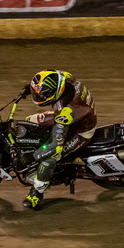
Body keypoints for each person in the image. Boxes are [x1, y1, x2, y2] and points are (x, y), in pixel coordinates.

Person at [21, 69, 97, 210]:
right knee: (30, 120)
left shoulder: (65, 111)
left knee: (50, 158)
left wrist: (37, 155)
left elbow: (56, 145)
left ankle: (36, 193)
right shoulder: (64, 79)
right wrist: (32, 89)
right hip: (77, 117)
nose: (38, 98)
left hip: (80, 132)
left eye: (42, 96)